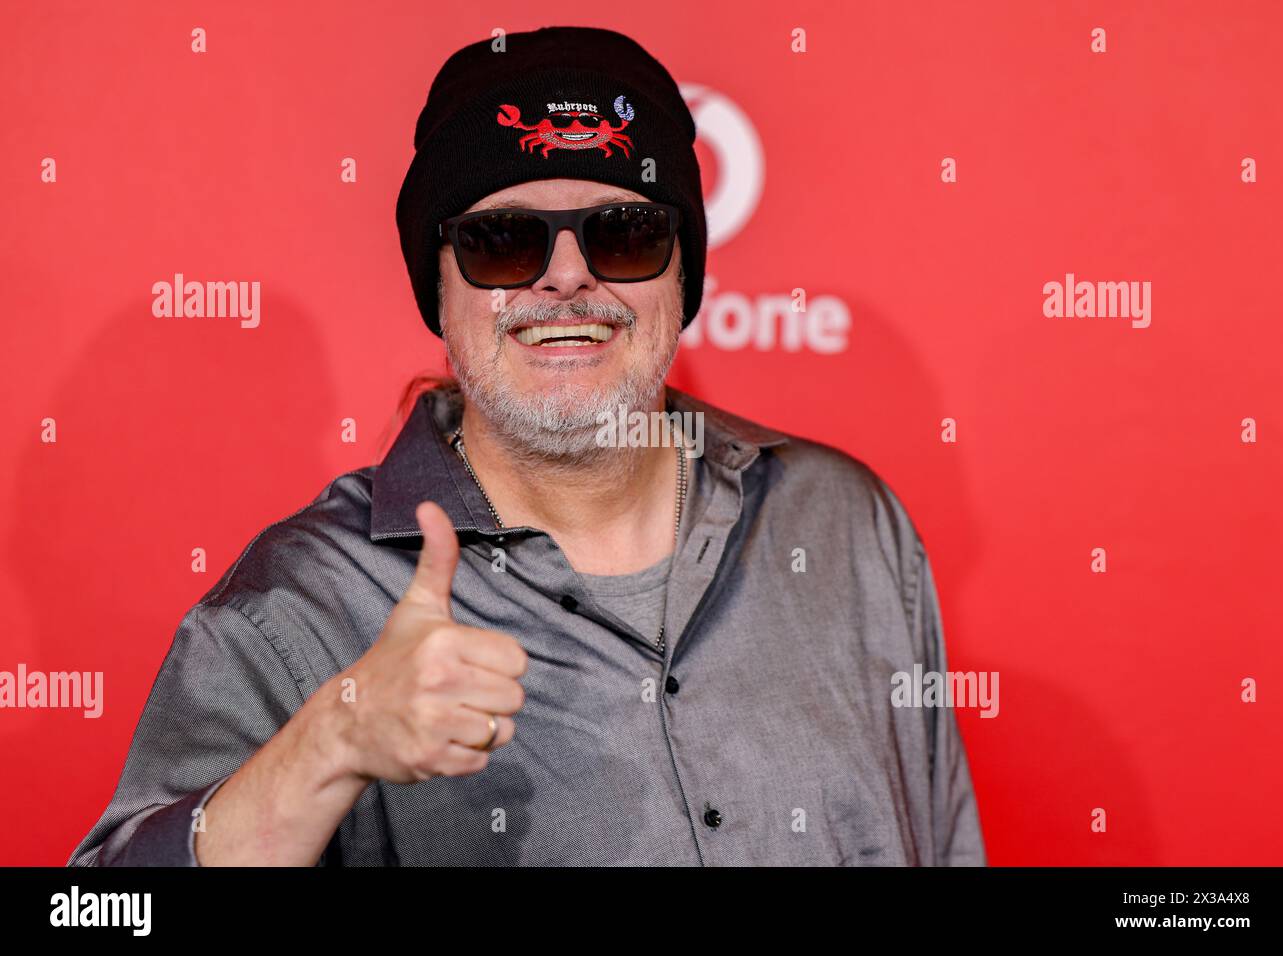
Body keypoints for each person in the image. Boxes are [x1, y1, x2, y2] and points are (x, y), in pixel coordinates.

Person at [68, 25, 985, 867]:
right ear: (439, 284)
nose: (566, 276)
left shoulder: (844, 524)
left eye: (624, 234)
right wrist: (330, 746)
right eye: (503, 241)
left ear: (683, 273)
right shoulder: (300, 607)